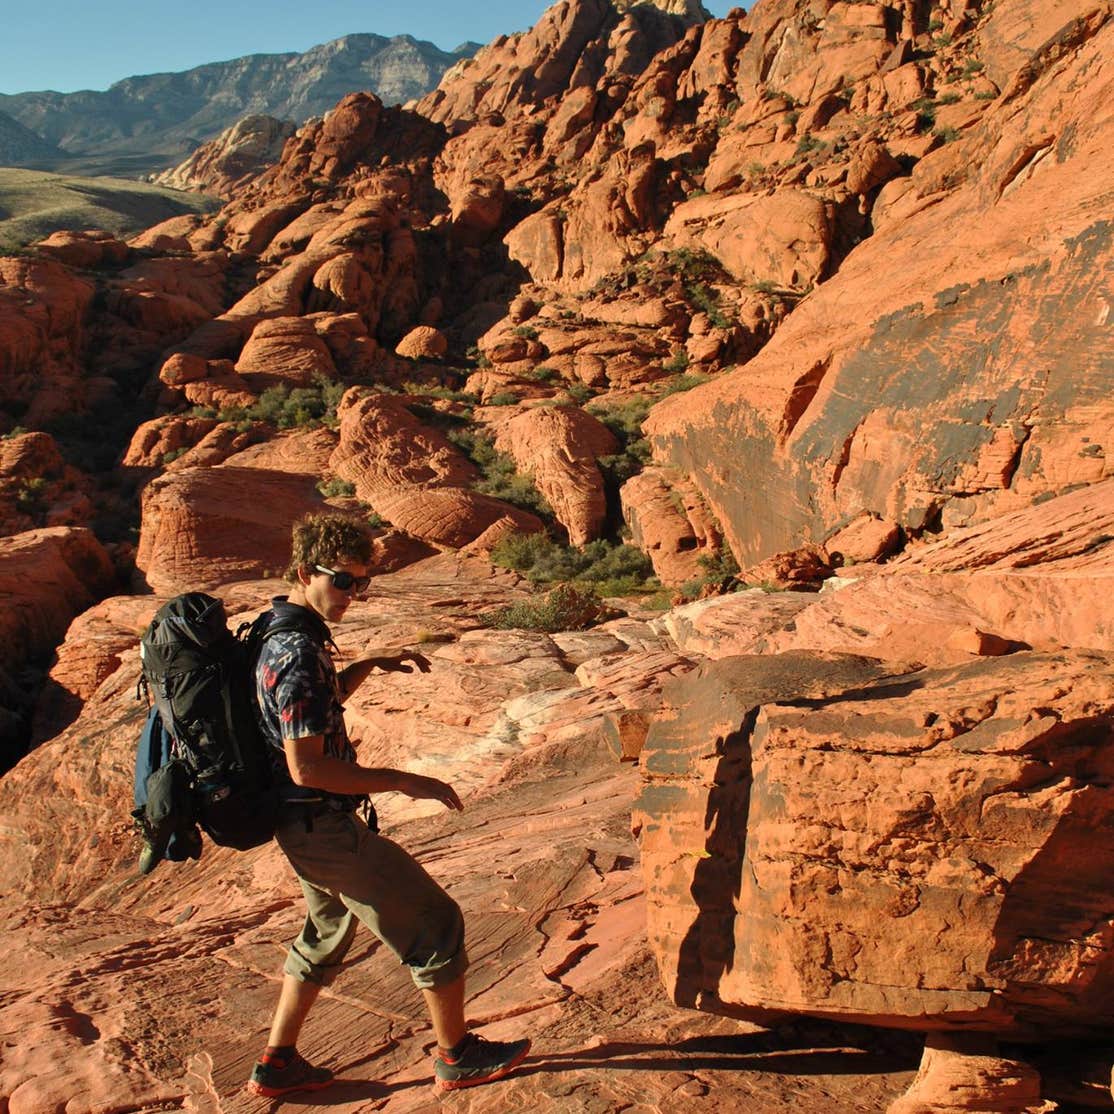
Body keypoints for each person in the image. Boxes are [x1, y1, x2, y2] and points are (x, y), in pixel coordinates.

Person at [246, 513, 530, 1096]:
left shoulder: (280, 629)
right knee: (436, 922)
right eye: (342, 581)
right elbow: (308, 766)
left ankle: (278, 1063)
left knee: (324, 934)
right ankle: (457, 1056)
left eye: (362, 582)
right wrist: (402, 780)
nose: (353, 593)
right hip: (321, 824)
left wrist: (368, 666)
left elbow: (311, 706)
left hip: (300, 823)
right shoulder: (297, 650)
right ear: (304, 573)